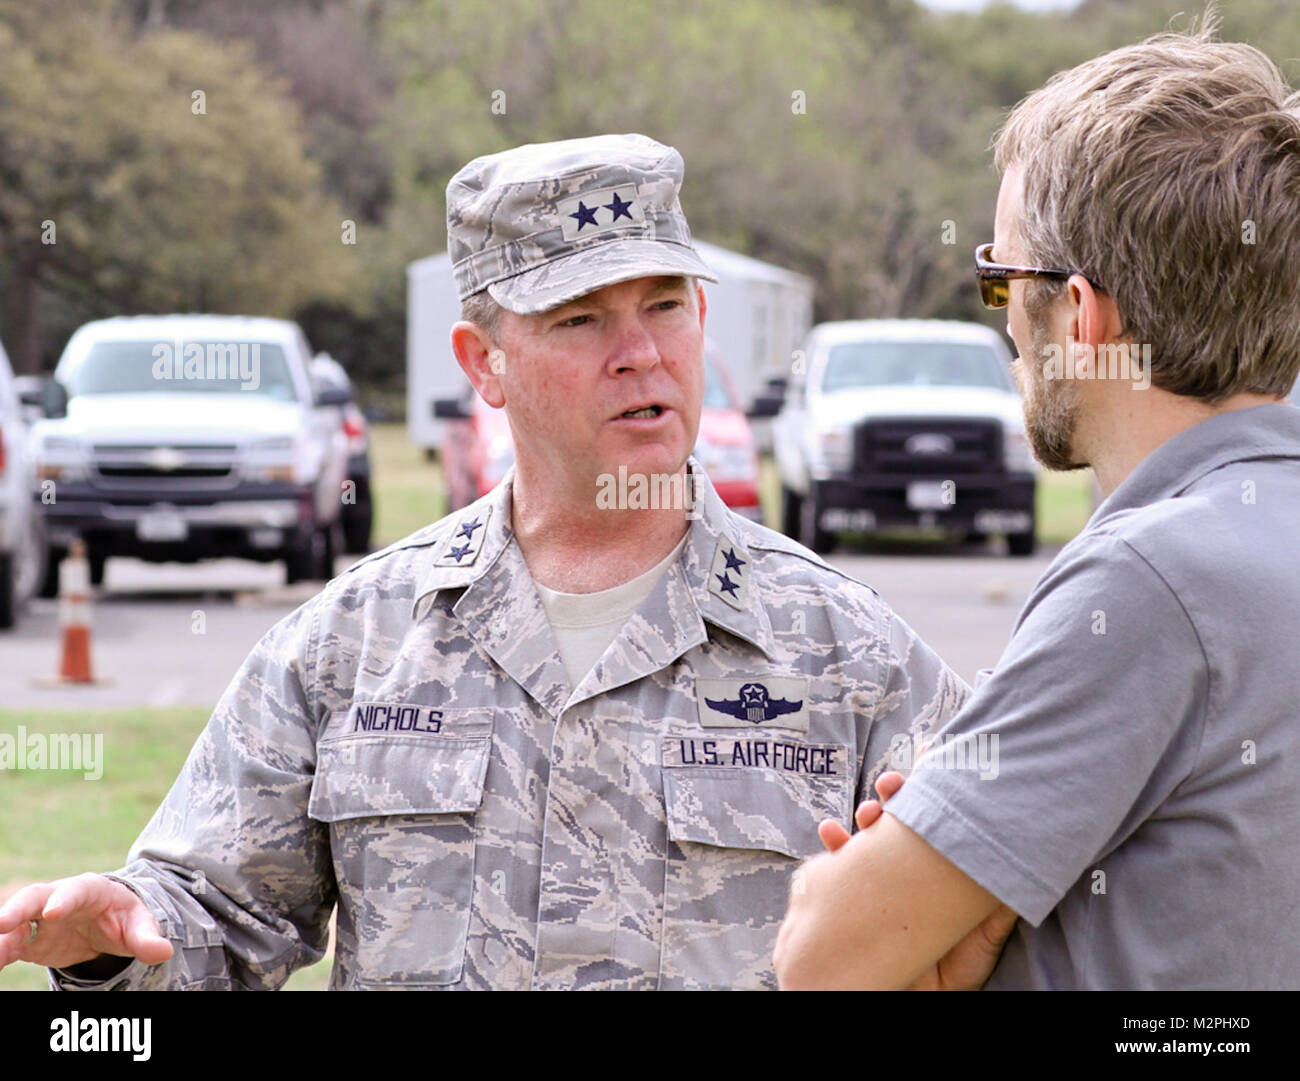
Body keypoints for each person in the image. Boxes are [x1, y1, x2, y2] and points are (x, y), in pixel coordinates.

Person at [0, 133, 970, 990]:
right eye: (579, 318)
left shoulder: (849, 654)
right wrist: (108, 942)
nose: (639, 352)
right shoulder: (352, 643)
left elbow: (998, 924)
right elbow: (212, 924)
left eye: (664, 305)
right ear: (482, 363)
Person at [775, 22, 1300, 990]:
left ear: (1083, 314)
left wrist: (941, 915)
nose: (1005, 318)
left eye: (999, 278)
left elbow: (824, 953)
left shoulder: (1155, 580)